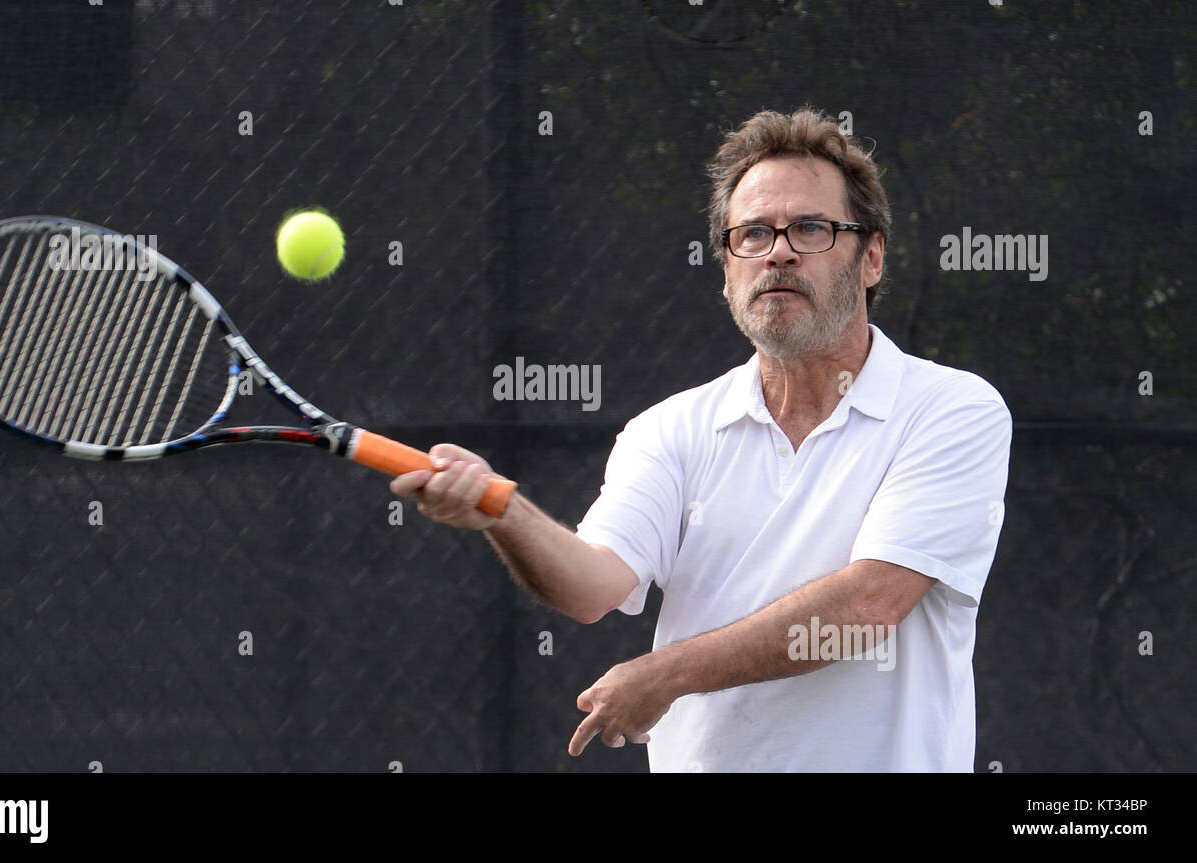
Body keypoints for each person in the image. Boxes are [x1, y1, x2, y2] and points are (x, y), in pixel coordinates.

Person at [391, 107, 1012, 772]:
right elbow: (592, 584)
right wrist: (501, 509)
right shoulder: (669, 430)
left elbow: (868, 606)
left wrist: (668, 672)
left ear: (872, 257)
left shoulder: (951, 410)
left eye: (810, 227)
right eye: (751, 233)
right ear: (726, 271)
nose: (778, 250)